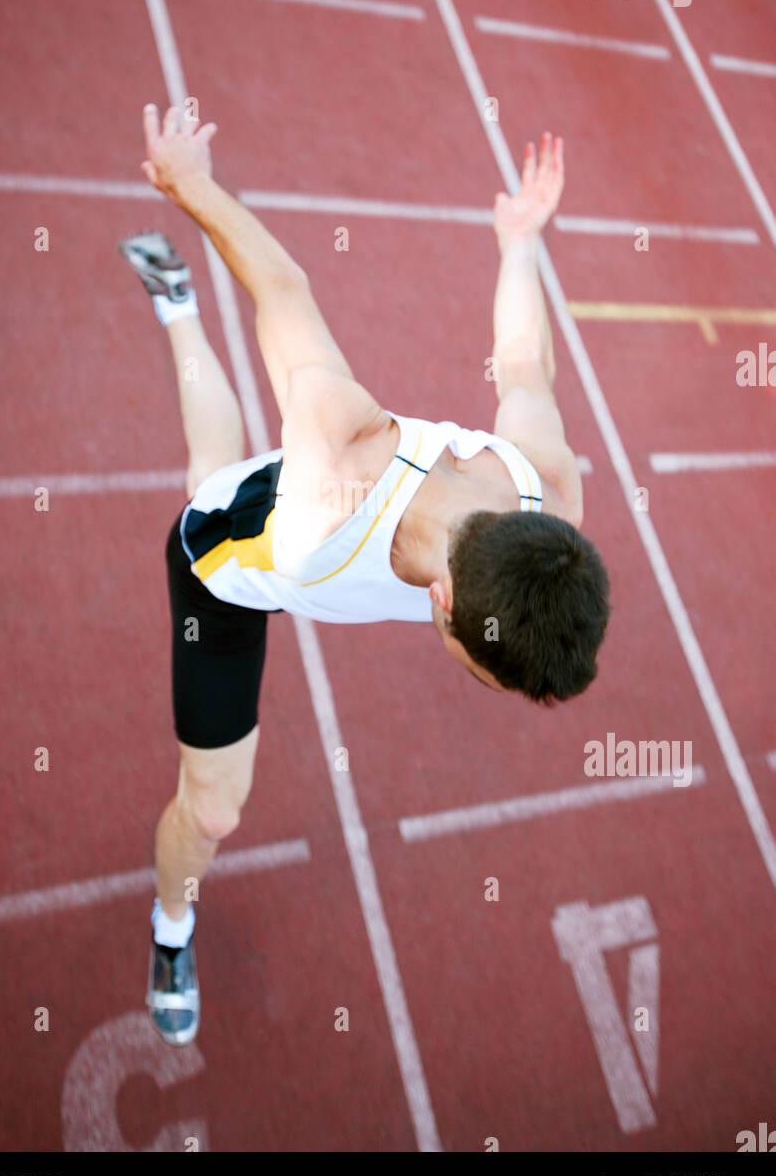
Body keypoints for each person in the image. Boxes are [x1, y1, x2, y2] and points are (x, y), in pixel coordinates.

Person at [119, 104, 610, 1046]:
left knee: (228, 462)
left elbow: (524, 369)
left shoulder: (549, 492)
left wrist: (518, 245)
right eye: (485, 671)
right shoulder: (341, 459)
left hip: (315, 504)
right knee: (215, 806)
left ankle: (174, 298)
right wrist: (189, 183)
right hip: (235, 565)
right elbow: (285, 290)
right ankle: (171, 925)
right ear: (445, 602)